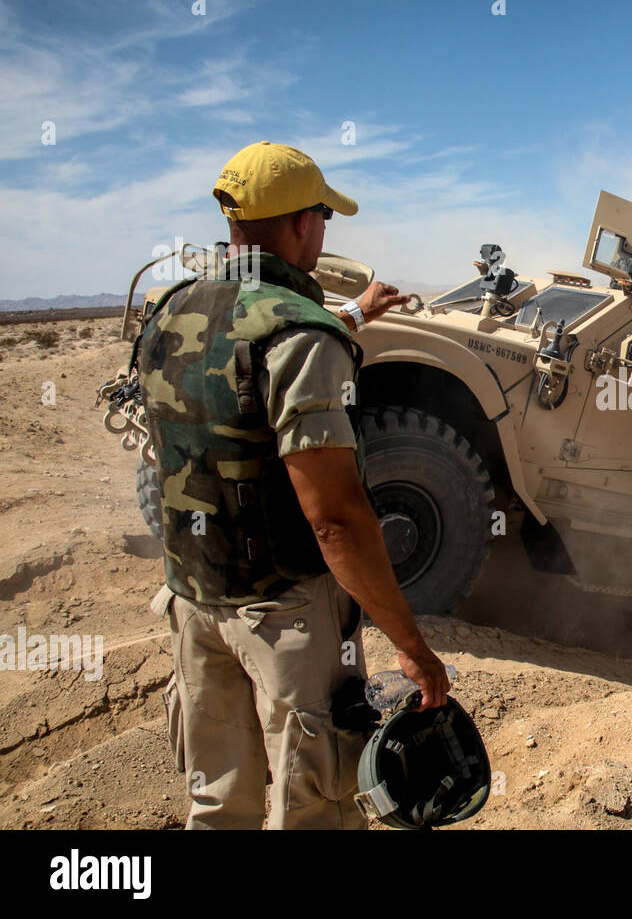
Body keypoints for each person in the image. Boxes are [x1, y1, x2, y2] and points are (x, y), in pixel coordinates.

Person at [139, 141, 451, 829]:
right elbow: (334, 519)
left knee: (219, 802)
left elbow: (240, 360)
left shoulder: (170, 308)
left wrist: (355, 314)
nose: (325, 230)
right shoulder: (303, 338)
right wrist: (411, 646)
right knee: (315, 807)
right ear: (303, 224)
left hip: (194, 599)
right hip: (282, 612)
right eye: (322, 217)